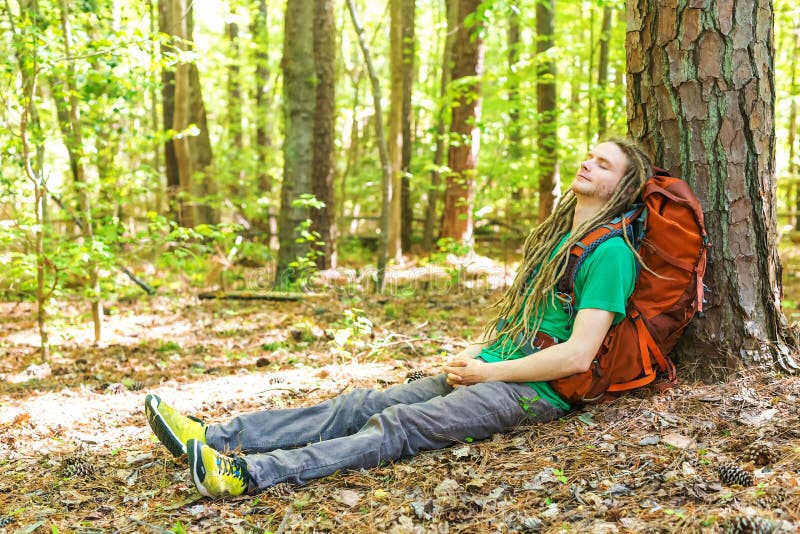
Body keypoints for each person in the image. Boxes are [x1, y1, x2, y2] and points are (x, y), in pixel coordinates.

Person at [145, 139, 653, 498]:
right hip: (494, 366)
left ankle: (247, 473)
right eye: (589, 155)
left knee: (400, 424)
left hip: (531, 390)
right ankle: (211, 438)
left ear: (623, 187)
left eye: (603, 165)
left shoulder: (612, 255)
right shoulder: (562, 234)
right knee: (361, 403)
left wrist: (489, 373)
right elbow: (529, 318)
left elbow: (577, 353)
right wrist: (479, 353)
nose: (587, 164)